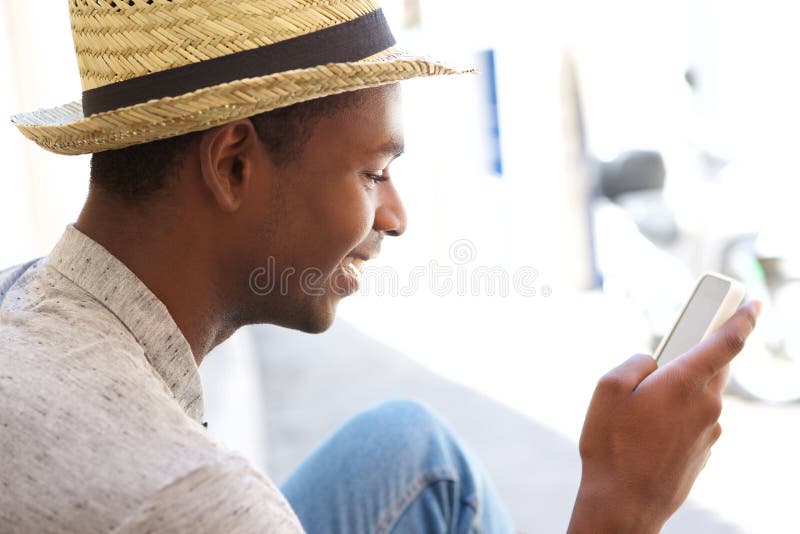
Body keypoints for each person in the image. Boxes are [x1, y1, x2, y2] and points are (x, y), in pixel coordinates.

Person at [1, 1, 760, 532]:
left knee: (410, 451)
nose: (396, 217)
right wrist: (621, 508)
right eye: (373, 173)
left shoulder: (21, 299)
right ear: (232, 165)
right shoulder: (193, 500)